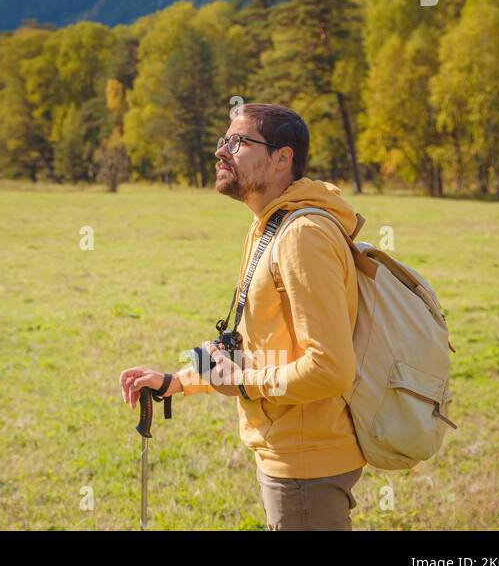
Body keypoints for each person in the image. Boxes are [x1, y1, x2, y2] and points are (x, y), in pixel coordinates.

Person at [120, 103, 365, 530]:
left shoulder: (302, 236)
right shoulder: (271, 226)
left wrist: (244, 385)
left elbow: (330, 369)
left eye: (238, 142)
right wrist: (177, 381)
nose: (221, 152)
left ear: (281, 158)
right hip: (290, 450)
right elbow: (256, 346)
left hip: (306, 461)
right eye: (222, 141)